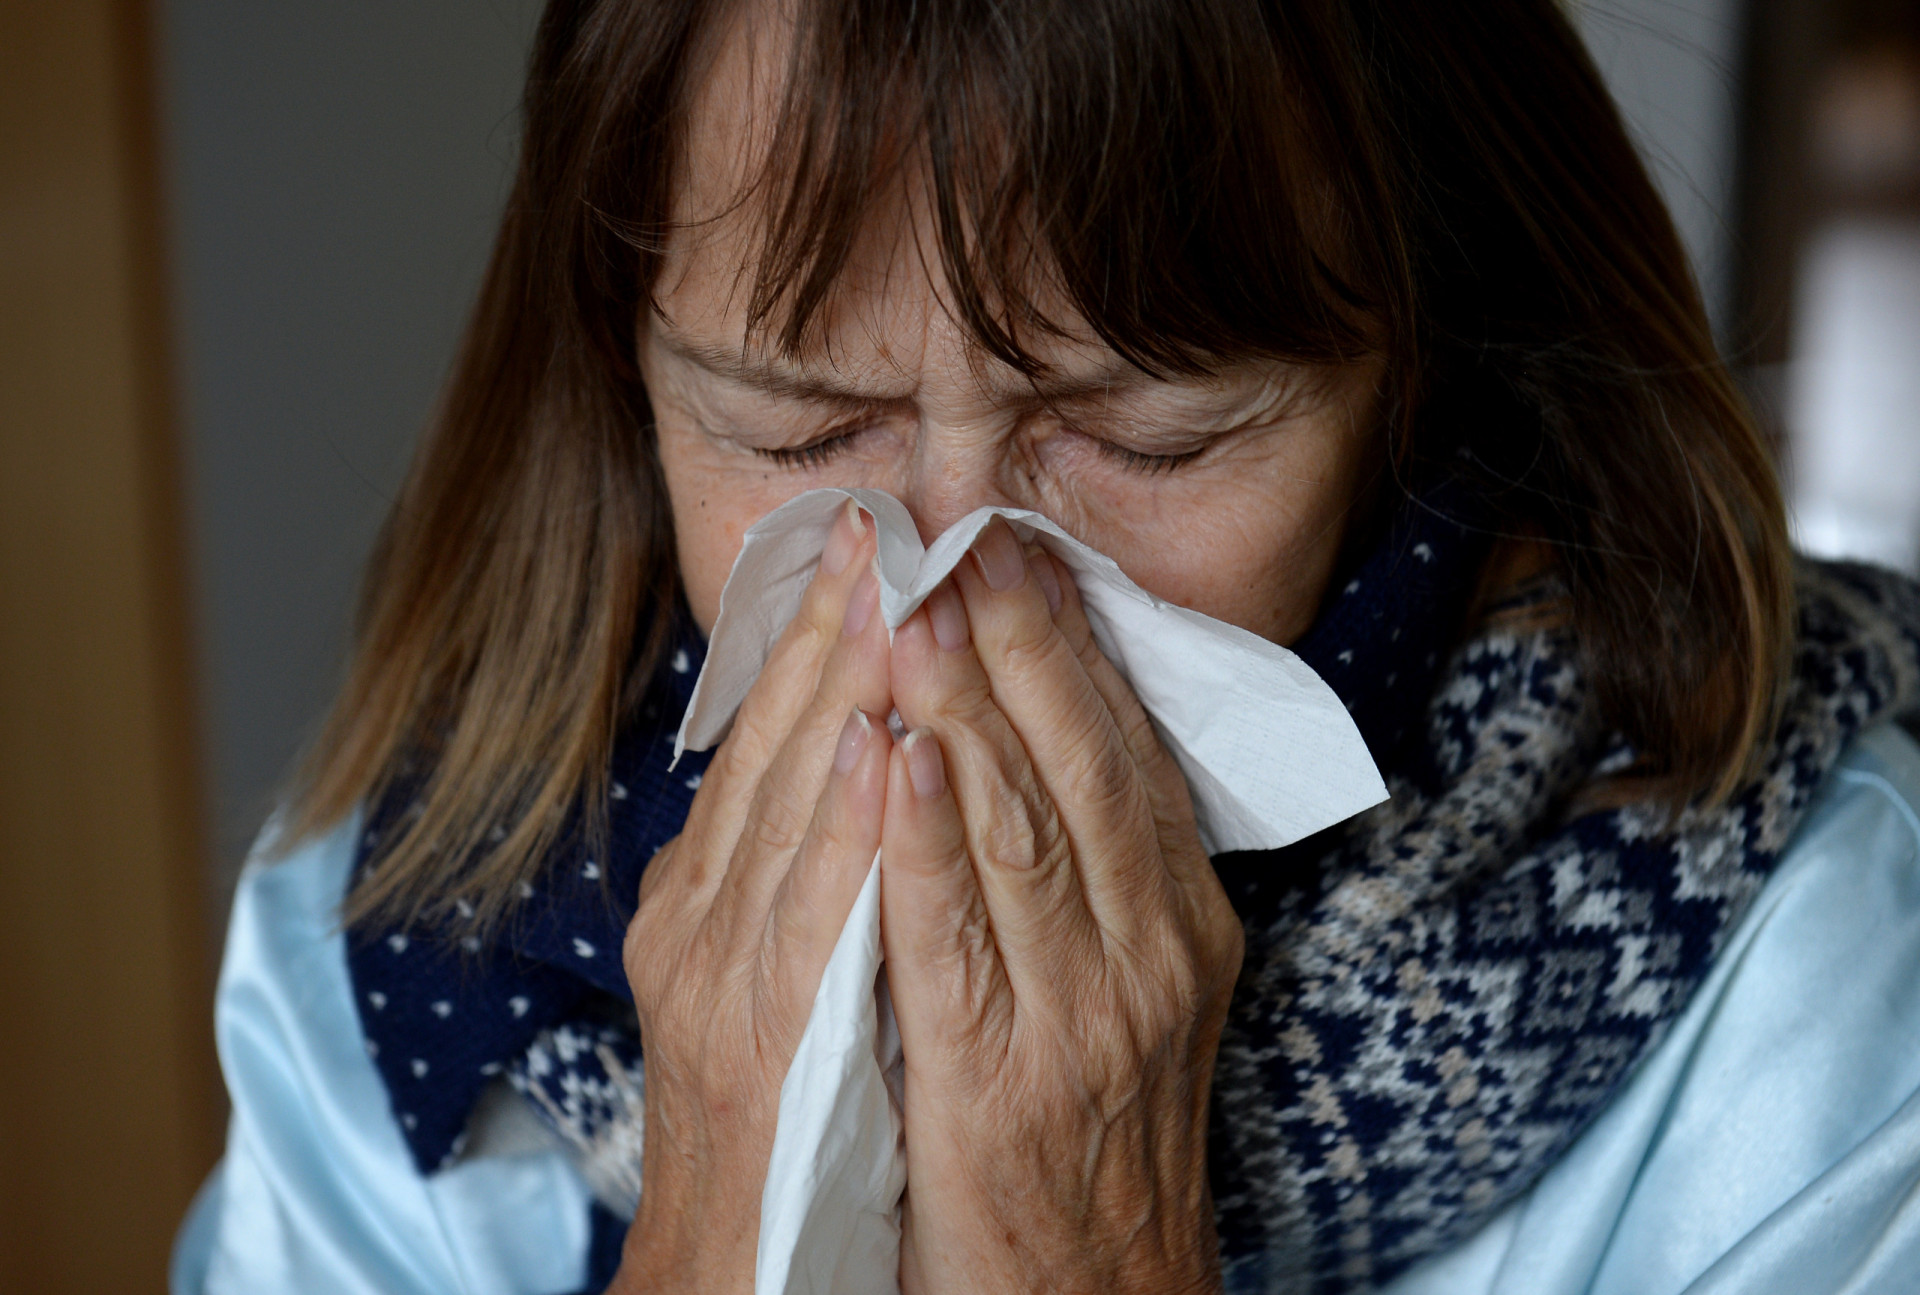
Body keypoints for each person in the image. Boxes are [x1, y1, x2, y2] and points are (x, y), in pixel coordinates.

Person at [173, 0, 1920, 1292]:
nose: (941, 588)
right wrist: (714, 1219)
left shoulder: (1823, 978)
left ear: (1435, 355)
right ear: (620, 382)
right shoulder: (392, 951)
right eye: (794, 433)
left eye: (1150, 439)